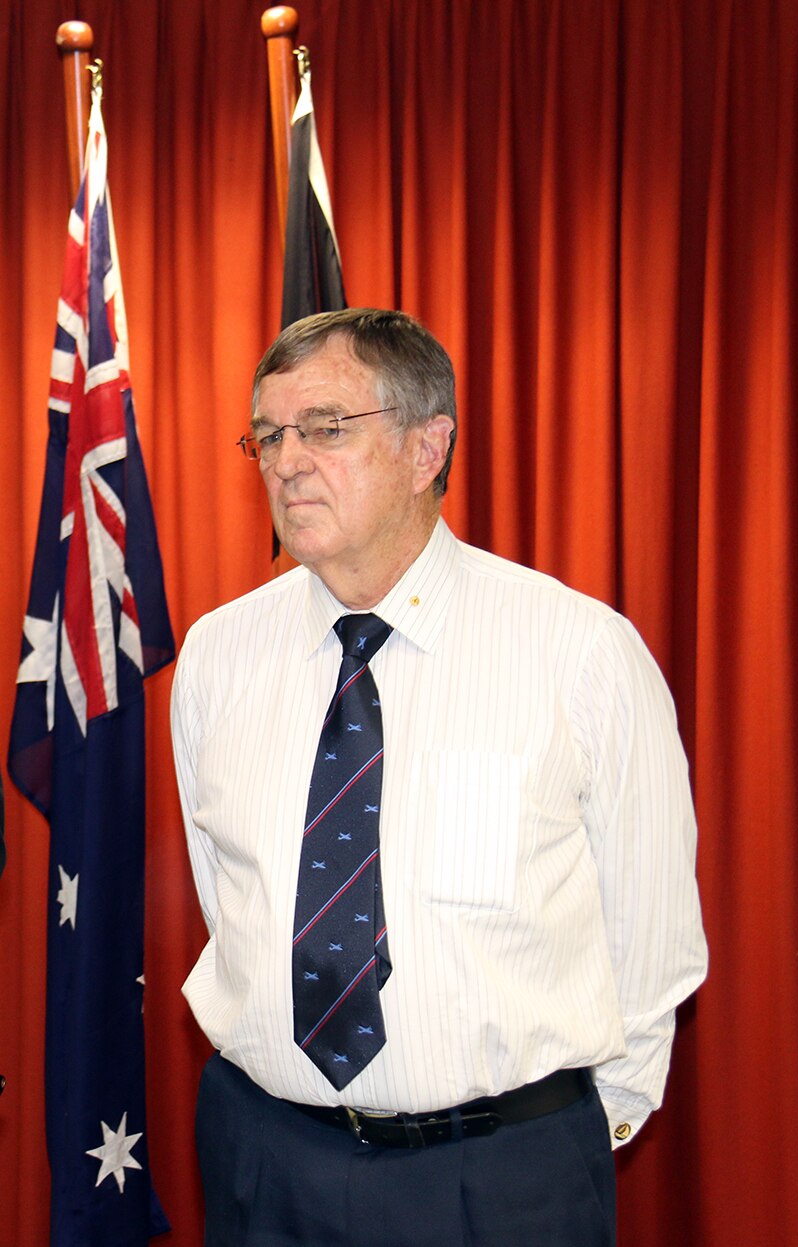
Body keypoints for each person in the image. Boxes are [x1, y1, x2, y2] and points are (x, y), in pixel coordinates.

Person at [171, 307, 707, 1247]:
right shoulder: (217, 656)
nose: (287, 459)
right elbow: (236, 904)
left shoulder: (579, 653)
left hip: (502, 1184)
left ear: (428, 448)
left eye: (327, 427)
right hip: (266, 1164)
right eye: (268, 433)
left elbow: (653, 949)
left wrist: (549, 1144)